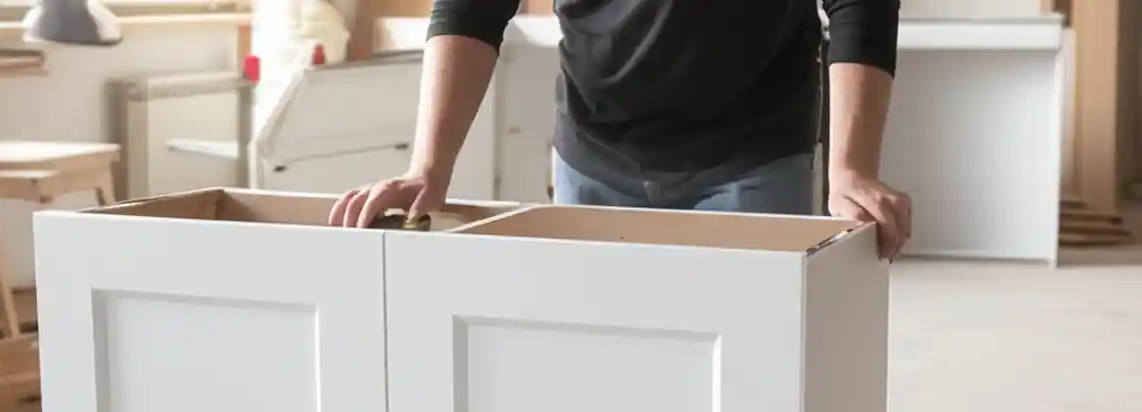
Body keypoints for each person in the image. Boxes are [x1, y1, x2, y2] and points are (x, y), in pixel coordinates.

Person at [328, 0, 912, 260]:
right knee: (597, 368)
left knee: (753, 375)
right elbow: (471, 7)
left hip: (750, 155)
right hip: (593, 157)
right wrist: (427, 167)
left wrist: (851, 167)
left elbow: (860, 3)